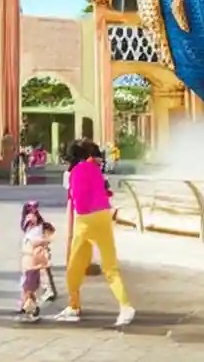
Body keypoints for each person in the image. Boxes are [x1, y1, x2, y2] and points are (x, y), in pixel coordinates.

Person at [54, 140, 135, 327]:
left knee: (74, 266)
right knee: (110, 265)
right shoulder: (94, 169)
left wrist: (73, 225)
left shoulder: (74, 172)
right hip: (103, 216)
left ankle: (73, 306)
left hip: (84, 220)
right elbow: (105, 193)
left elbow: (76, 201)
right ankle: (125, 306)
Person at [17, 204, 55, 323]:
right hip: (30, 264)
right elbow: (35, 242)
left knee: (30, 288)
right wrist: (46, 240)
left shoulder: (34, 231)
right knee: (29, 288)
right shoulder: (32, 233)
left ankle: (28, 308)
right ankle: (28, 309)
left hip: (32, 264)